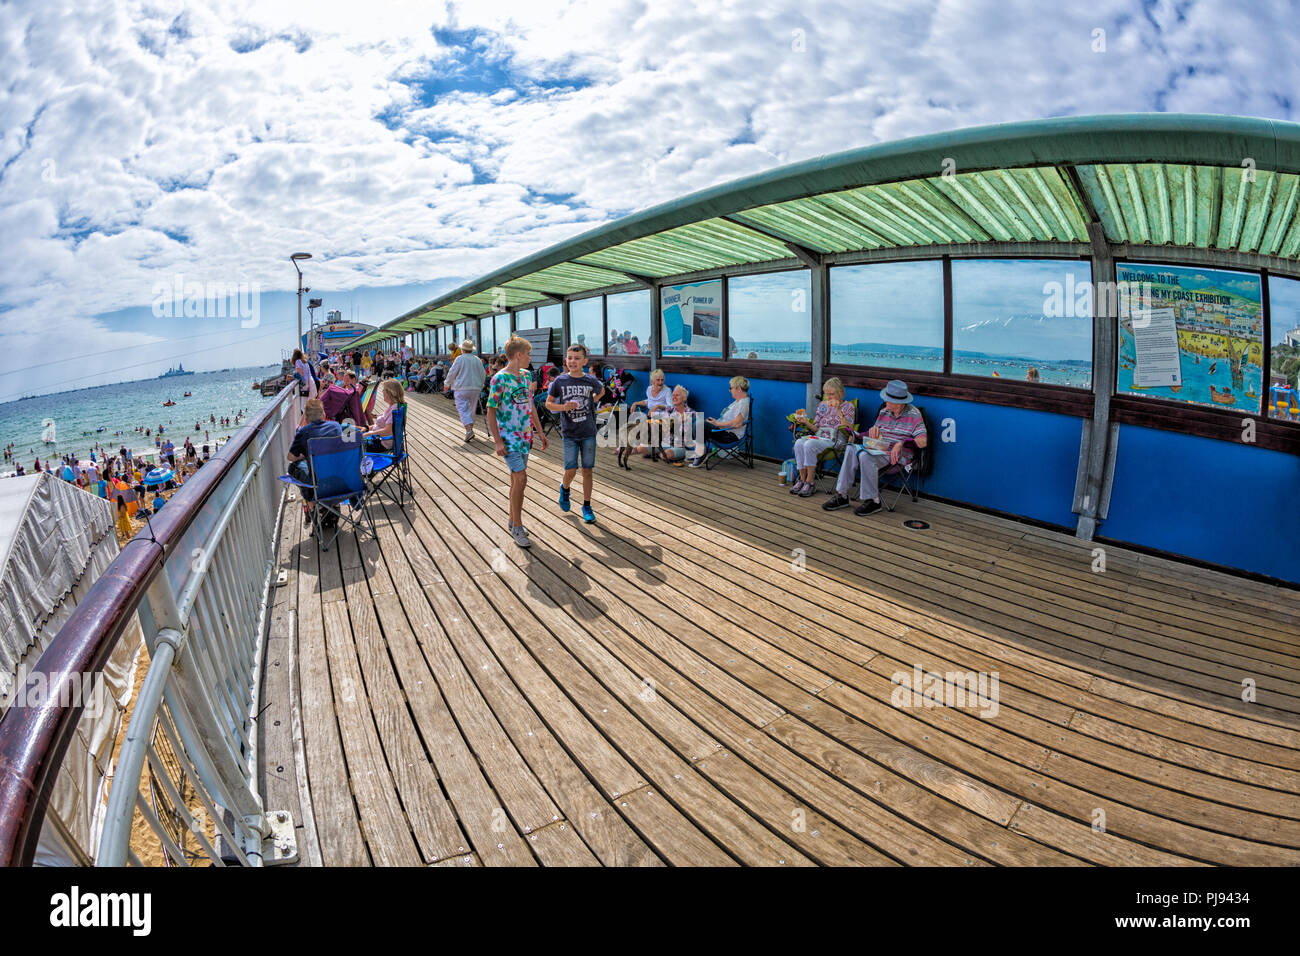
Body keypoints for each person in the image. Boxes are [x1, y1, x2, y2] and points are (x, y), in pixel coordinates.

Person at [823, 379, 928, 516]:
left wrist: (901, 443)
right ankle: (842, 495)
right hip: (879, 449)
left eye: (888, 399)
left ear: (899, 403)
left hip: (897, 455)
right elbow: (875, 434)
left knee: (864, 455)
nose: (885, 401)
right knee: (850, 448)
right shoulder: (884, 412)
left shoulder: (914, 415)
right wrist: (864, 434)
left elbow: (923, 441)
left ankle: (873, 500)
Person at [488, 336, 548, 548]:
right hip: (509, 437)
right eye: (528, 354)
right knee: (521, 478)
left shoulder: (526, 376)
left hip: (525, 436)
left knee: (516, 479)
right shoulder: (499, 379)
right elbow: (491, 411)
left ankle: (512, 518)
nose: (530, 358)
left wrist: (540, 432)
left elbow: (530, 406)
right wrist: (497, 441)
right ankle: (518, 527)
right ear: (518, 355)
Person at [546, 343, 605, 524]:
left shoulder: (590, 380)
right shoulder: (560, 381)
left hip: (588, 432)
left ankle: (586, 506)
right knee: (570, 469)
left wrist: (591, 402)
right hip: (570, 433)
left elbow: (601, 391)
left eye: (577, 358)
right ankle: (565, 489)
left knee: (587, 470)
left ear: (584, 361)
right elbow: (549, 403)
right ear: (566, 360)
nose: (573, 361)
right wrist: (563, 407)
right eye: (570, 358)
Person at [789, 377, 855, 497]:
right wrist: (805, 422)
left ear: (840, 392)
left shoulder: (848, 407)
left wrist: (839, 410)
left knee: (809, 444)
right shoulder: (822, 405)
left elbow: (849, 428)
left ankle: (810, 482)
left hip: (836, 441)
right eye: (826, 394)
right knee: (799, 442)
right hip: (820, 438)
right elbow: (816, 428)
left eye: (832, 394)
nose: (828, 397)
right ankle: (802, 480)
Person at [688, 376, 750, 468]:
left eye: (731, 388)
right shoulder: (737, 402)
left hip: (729, 436)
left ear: (739, 389)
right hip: (723, 431)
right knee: (693, 421)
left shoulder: (743, 404)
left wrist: (717, 424)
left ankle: (700, 454)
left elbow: (737, 424)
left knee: (699, 424)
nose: (729, 390)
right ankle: (699, 451)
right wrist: (715, 422)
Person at [445, 339, 486, 441]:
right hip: (475, 387)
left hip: (462, 387)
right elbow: (483, 374)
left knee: (462, 408)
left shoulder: (459, 359)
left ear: (462, 349)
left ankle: (468, 430)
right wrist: (481, 385)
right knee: (472, 408)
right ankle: (470, 429)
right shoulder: (477, 360)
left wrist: (447, 383)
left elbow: (452, 372)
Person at [628, 368, 672, 457]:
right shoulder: (649, 389)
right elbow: (648, 401)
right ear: (652, 381)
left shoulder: (667, 391)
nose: (660, 382)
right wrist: (636, 403)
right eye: (658, 380)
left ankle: (648, 449)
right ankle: (638, 447)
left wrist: (657, 406)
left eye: (662, 380)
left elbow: (670, 407)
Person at [657, 386, 698, 465]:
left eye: (677, 395)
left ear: (684, 398)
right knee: (641, 448)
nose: (674, 397)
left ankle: (684, 454)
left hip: (681, 446)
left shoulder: (692, 414)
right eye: (673, 395)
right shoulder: (669, 410)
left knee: (666, 454)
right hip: (666, 443)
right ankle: (659, 452)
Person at [363, 379, 406, 451]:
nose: (382, 392)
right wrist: (367, 429)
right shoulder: (394, 406)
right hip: (379, 440)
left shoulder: (395, 409)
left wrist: (368, 434)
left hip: (381, 444)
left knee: (349, 443)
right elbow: (381, 425)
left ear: (390, 392)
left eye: (383, 390)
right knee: (351, 436)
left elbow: (388, 431)